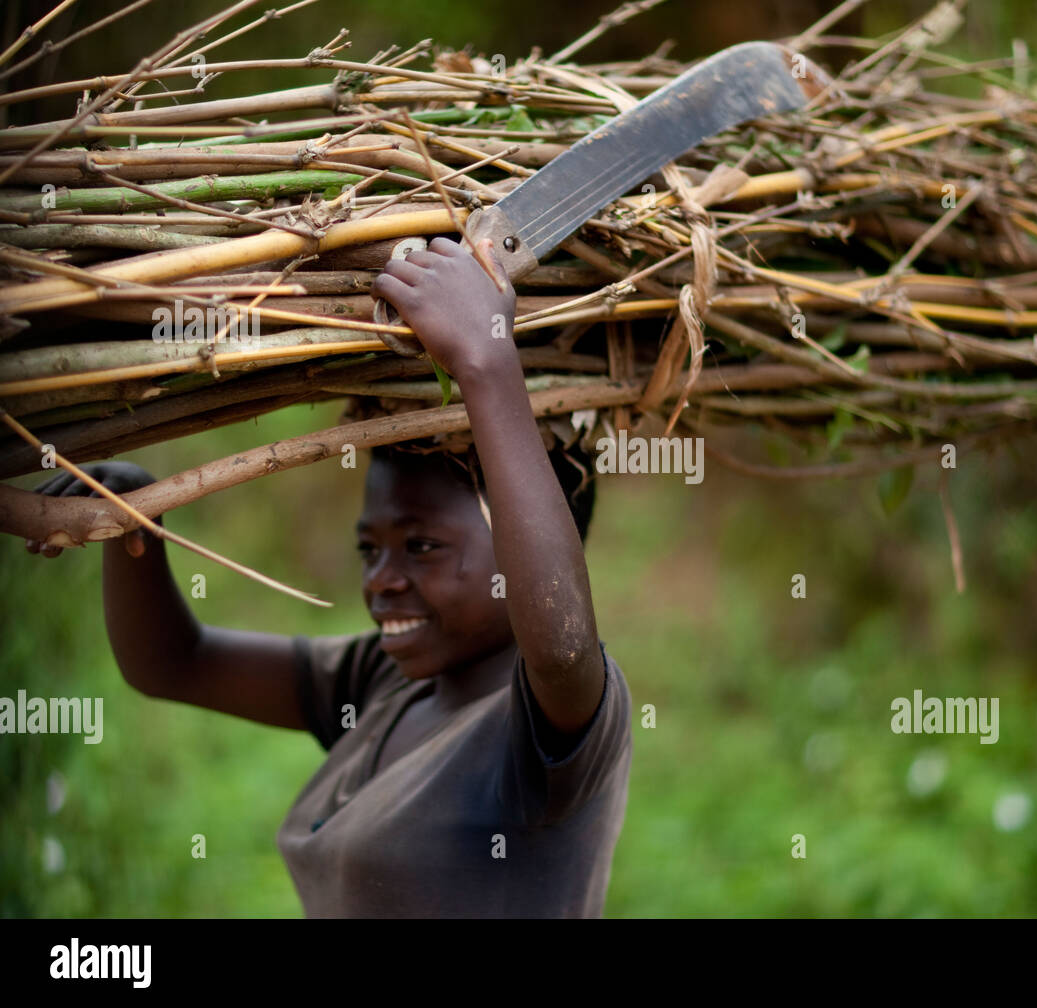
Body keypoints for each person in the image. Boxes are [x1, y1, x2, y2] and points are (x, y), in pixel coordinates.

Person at [25, 237, 632, 918]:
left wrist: (485, 358)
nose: (382, 580)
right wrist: (131, 512)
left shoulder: (557, 726)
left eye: (422, 546)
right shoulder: (386, 682)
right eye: (369, 549)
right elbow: (174, 664)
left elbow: (563, 646)